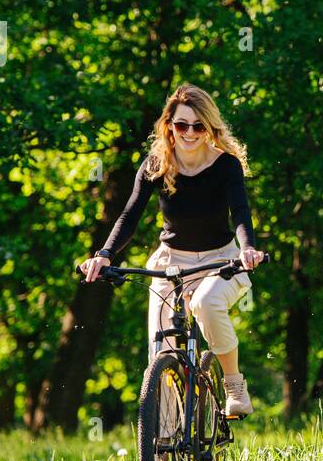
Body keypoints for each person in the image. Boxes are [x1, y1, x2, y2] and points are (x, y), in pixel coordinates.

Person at [78, 84, 265, 419]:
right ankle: (161, 453)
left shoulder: (226, 166)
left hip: (220, 260)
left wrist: (248, 248)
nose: (189, 133)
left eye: (198, 126)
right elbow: (130, 215)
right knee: (160, 352)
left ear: (209, 128)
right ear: (169, 126)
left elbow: (240, 212)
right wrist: (105, 254)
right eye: (181, 125)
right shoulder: (156, 165)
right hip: (170, 263)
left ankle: (234, 384)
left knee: (205, 304)